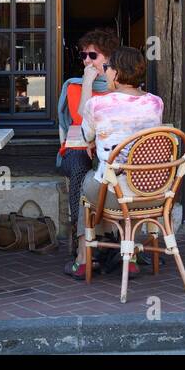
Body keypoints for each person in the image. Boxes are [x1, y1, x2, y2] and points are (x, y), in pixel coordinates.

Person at [65, 45, 164, 279]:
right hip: (149, 191)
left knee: (88, 187)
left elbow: (86, 136)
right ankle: (127, 254)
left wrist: (98, 139)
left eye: (108, 68)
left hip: (114, 193)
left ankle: (83, 258)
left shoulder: (98, 105)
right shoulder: (156, 103)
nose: (105, 71)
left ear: (117, 73)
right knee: (111, 181)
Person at [58, 28, 120, 278]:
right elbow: (81, 119)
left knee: (114, 168)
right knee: (79, 166)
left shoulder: (123, 89)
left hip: (109, 153)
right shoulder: (74, 87)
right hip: (78, 148)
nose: (86, 61)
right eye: (83, 55)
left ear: (109, 58)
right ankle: (83, 242)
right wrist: (86, 83)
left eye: (92, 55)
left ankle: (113, 243)